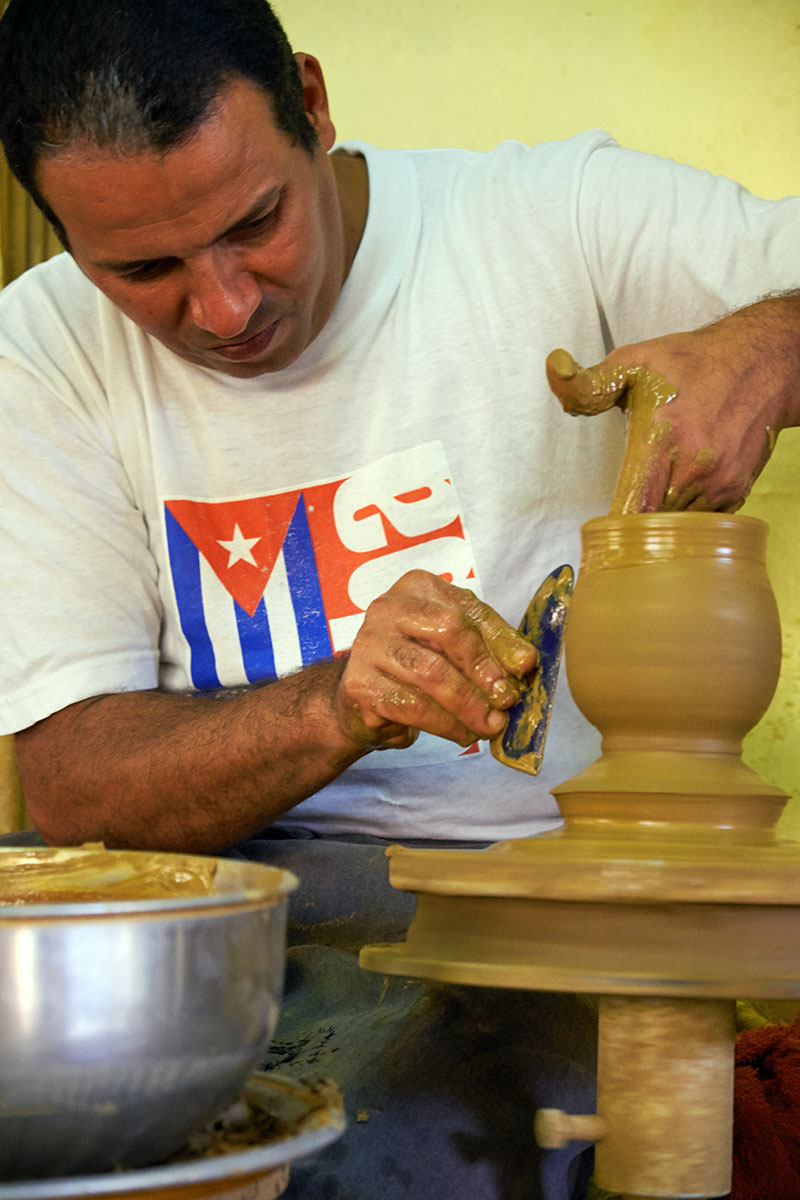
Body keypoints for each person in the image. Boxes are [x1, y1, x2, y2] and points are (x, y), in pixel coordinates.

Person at [0, 1, 798, 1197]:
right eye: (142, 270)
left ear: (312, 105)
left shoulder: (557, 218)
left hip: (526, 911)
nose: (222, 307)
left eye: (254, 223)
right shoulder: (37, 349)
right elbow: (76, 787)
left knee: (379, 1160)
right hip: (208, 902)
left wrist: (772, 346)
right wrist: (332, 707)